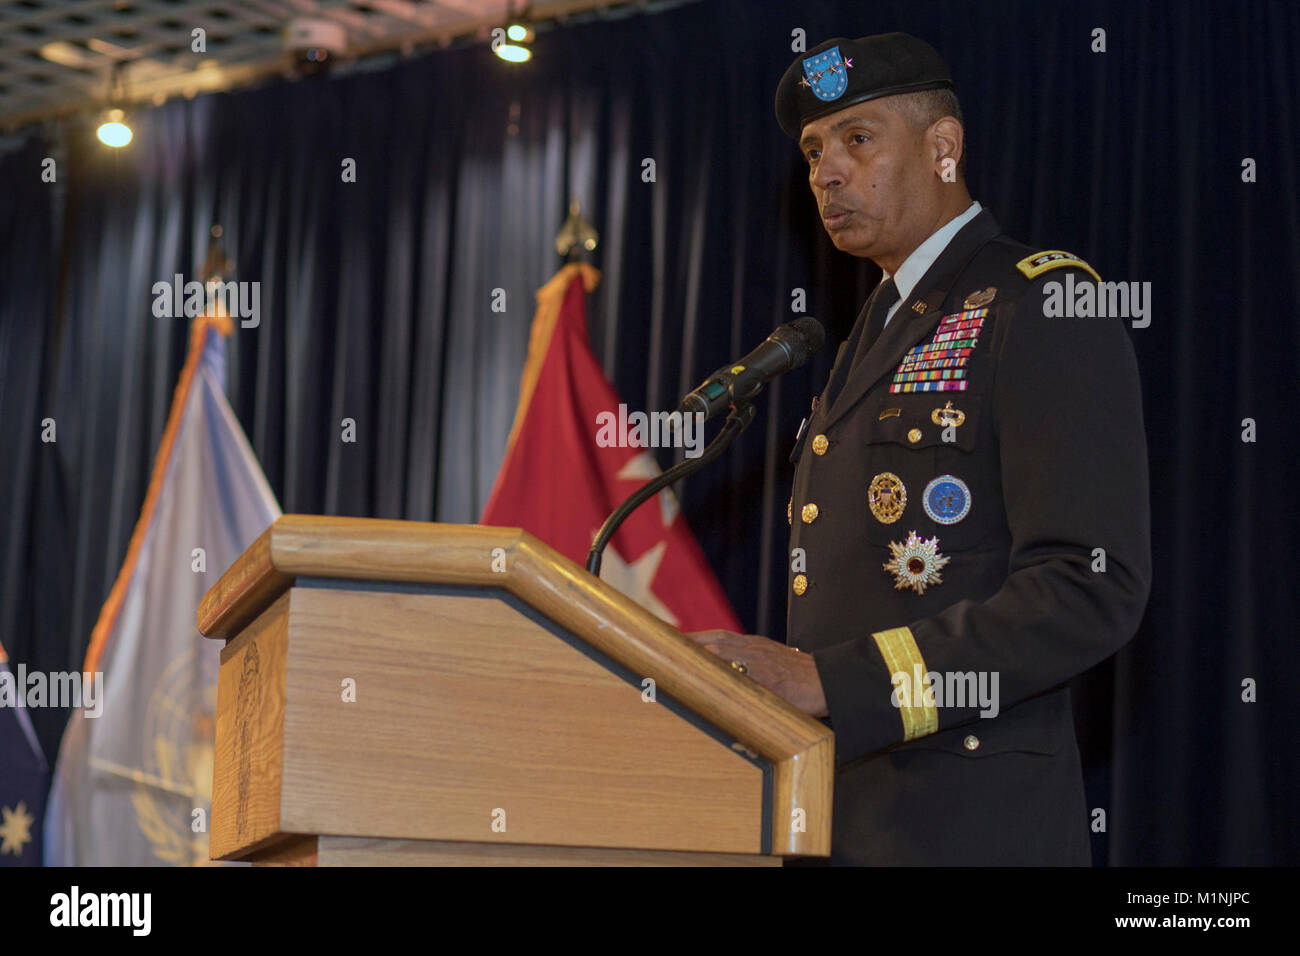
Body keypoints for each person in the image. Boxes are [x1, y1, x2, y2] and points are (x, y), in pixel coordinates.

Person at [687, 32, 1151, 865]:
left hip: (971, 822)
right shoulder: (876, 326)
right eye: (814, 149)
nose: (826, 171)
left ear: (943, 148)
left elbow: (1090, 586)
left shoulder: (1041, 303)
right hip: (849, 811)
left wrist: (832, 682)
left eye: (857, 140)